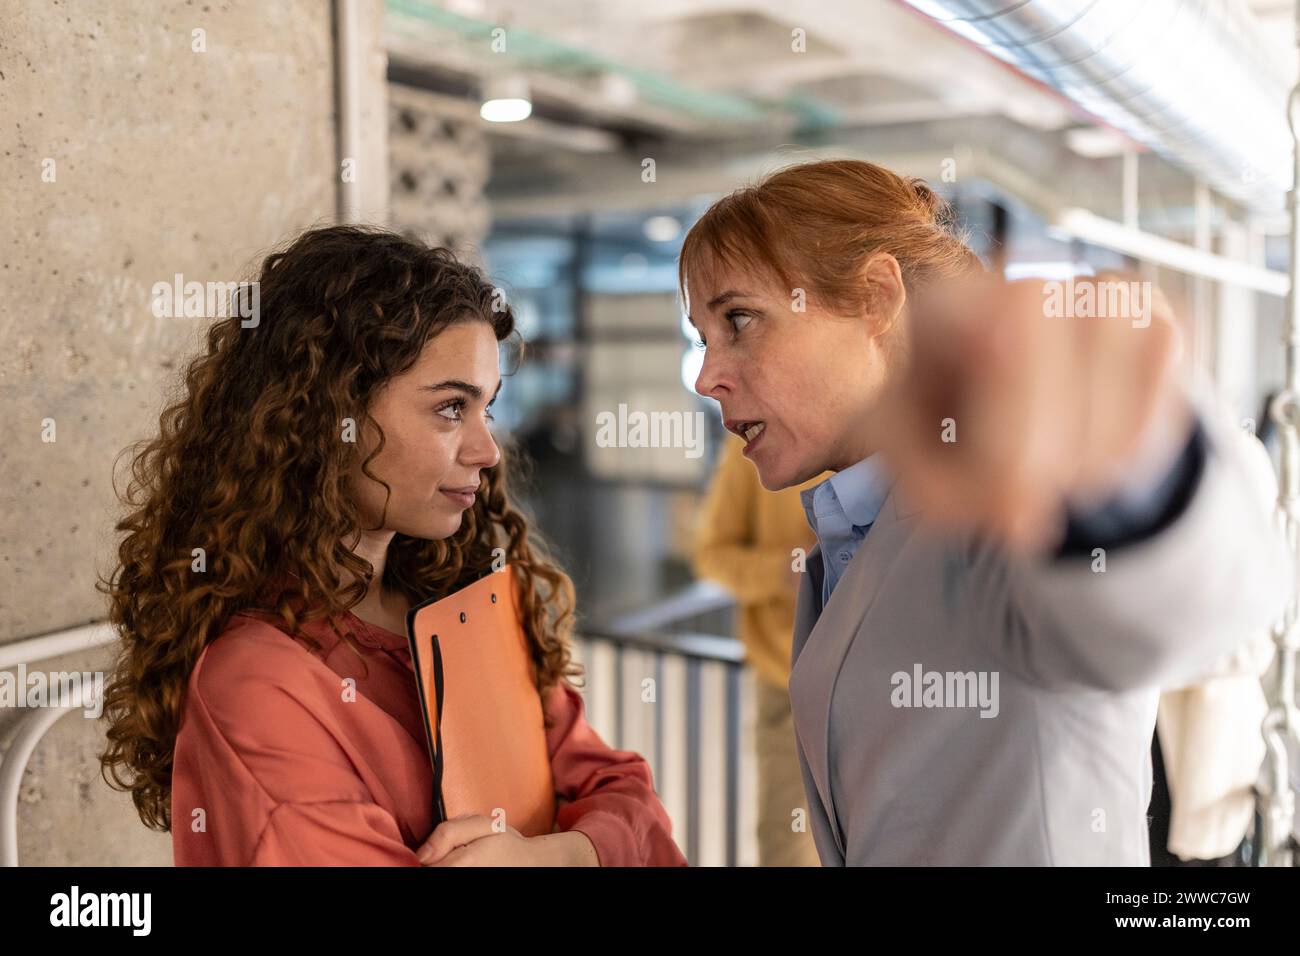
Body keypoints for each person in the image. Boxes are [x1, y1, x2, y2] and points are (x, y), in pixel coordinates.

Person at [678, 158, 1294, 865]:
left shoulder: (998, 515)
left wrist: (1136, 476)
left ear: (877, 297)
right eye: (702, 336)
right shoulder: (846, 537)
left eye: (740, 320)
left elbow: (1188, 607)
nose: (705, 376)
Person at [99, 225, 687, 867]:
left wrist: (566, 856)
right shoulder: (259, 683)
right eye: (449, 409)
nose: (487, 451)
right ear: (329, 415)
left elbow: (629, 799)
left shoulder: (463, 605)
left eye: (486, 408)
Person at [692, 434, 829, 866]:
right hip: (787, 683)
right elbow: (711, 553)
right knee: (787, 849)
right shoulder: (749, 445)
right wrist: (786, 571)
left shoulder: (898, 425)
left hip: (893, 684)